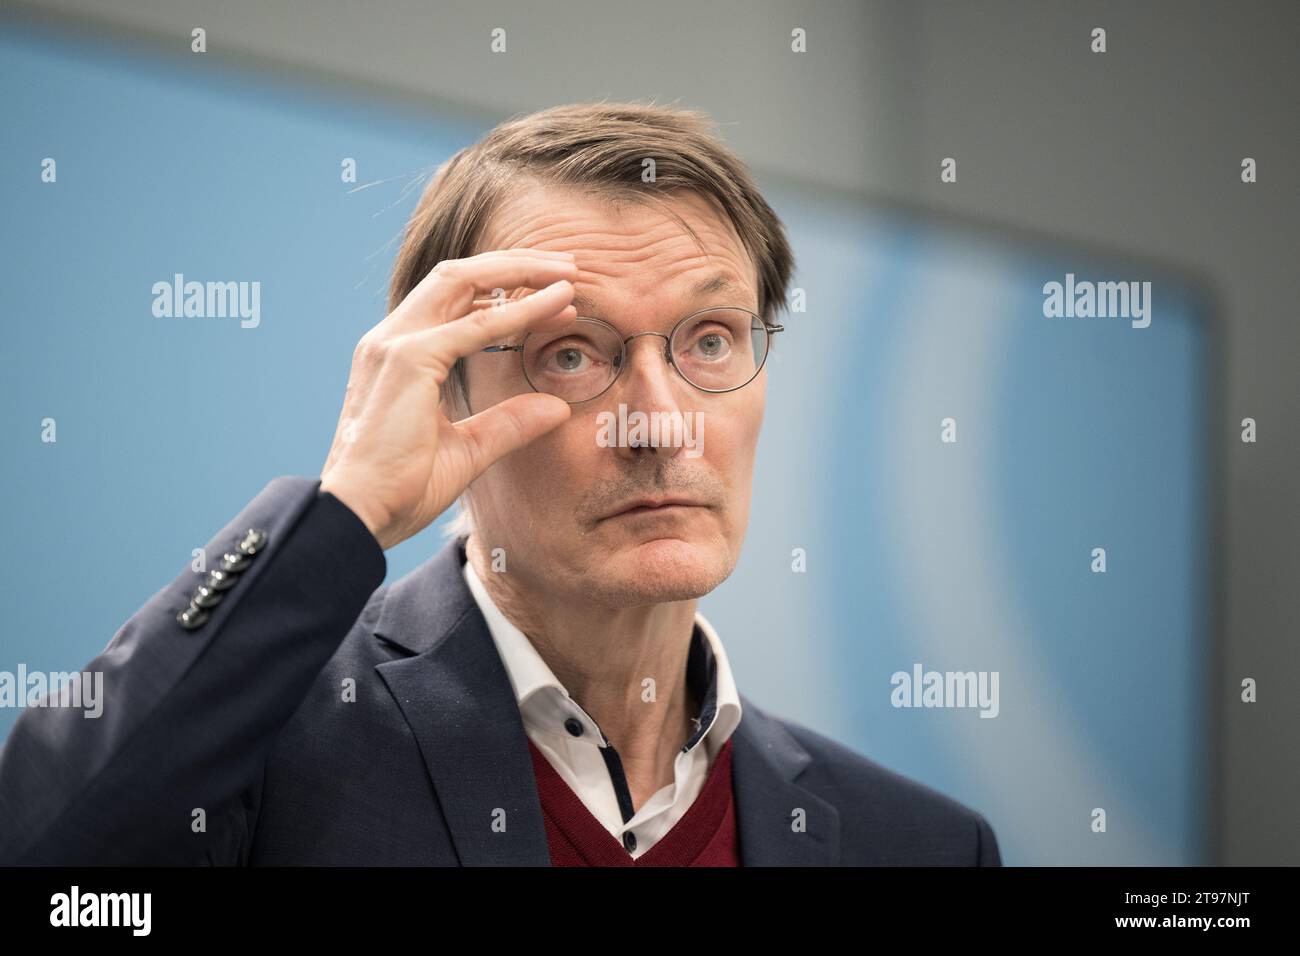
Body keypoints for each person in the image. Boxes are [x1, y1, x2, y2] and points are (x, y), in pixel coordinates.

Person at [0, 102, 1000, 866]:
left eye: (709, 339)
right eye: (571, 352)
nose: (659, 422)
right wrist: (345, 509)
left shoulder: (917, 843)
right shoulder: (266, 757)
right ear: (447, 389)